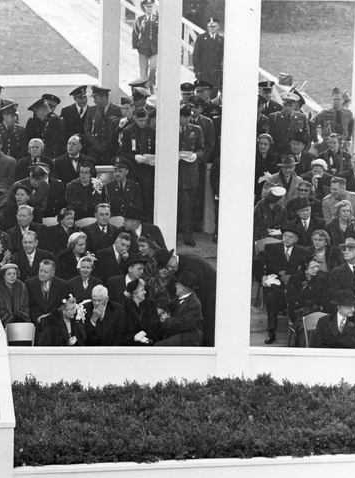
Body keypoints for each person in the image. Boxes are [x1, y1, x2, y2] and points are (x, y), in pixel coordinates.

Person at [253, 224, 310, 344]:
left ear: (296, 239)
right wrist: (262, 277)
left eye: (290, 237)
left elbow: (307, 271)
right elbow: (256, 263)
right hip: (276, 285)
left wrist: (292, 278)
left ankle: (297, 332)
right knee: (272, 297)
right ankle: (272, 331)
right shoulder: (271, 248)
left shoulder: (303, 252)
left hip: (295, 286)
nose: (287, 239)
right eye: (285, 236)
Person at [176, 104, 204, 246]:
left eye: (188, 116)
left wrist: (195, 156)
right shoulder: (171, 129)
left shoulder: (196, 130)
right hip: (175, 173)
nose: (187, 119)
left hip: (189, 174)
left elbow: (201, 149)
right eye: (184, 116)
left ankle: (188, 236)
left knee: (188, 207)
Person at [286, 257, 330, 346]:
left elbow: (325, 298)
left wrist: (318, 306)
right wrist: (305, 302)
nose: (316, 269)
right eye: (313, 267)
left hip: (317, 311)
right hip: (299, 312)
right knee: (307, 328)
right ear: (305, 269)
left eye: (317, 267)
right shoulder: (294, 279)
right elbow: (290, 299)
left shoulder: (321, 279)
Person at [155, 271, 203, 346]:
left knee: (158, 345)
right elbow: (168, 307)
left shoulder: (194, 303)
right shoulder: (181, 298)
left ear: (182, 288)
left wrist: (167, 320)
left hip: (189, 338)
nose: (175, 286)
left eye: (177, 284)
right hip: (180, 333)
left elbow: (185, 323)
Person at [122, 278, 161, 345]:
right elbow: (126, 328)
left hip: (150, 338)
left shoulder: (150, 304)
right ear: (134, 294)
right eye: (142, 290)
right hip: (132, 340)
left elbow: (155, 324)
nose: (145, 292)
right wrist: (136, 337)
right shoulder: (125, 306)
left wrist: (143, 333)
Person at [131, 0, 159, 93]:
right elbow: (135, 32)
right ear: (144, 7)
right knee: (143, 70)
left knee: (153, 67)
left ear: (153, 7)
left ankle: (151, 84)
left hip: (154, 48)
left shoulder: (158, 19)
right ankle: (143, 88)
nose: (149, 8)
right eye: (147, 7)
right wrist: (135, 46)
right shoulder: (140, 19)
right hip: (143, 48)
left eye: (151, 6)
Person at [192, 16, 224, 95]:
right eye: (210, 26)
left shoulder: (221, 39)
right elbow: (196, 55)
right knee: (202, 94)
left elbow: (222, 56)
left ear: (217, 27)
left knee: (213, 93)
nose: (212, 28)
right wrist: (197, 71)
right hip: (204, 72)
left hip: (215, 73)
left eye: (214, 26)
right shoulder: (201, 38)